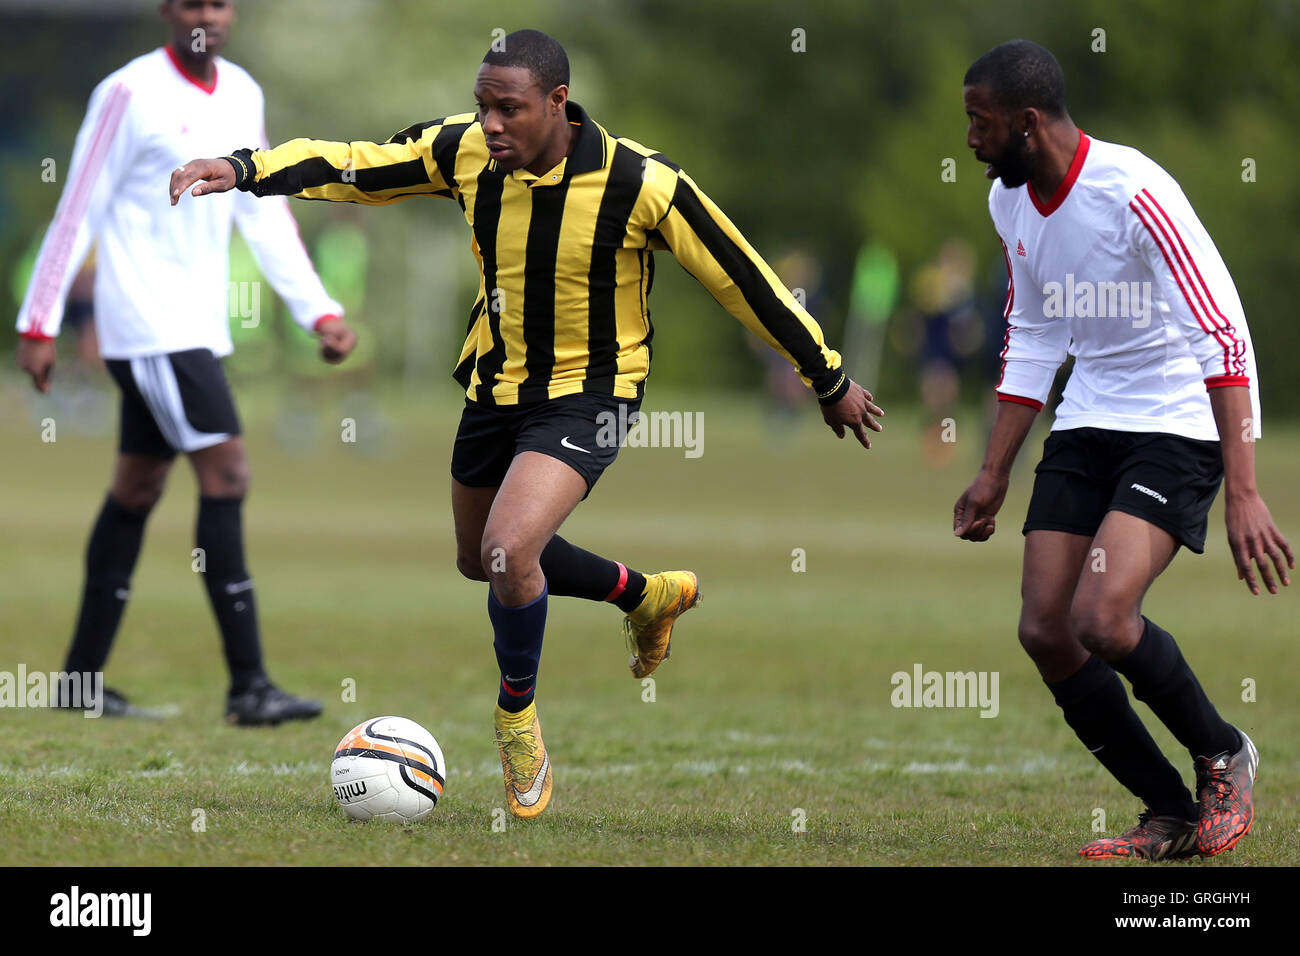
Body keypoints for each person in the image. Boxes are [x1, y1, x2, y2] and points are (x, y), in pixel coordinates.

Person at [170, 28, 883, 817]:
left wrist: (827, 375)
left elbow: (741, 276)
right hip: (495, 387)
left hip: (597, 394)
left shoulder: (641, 184)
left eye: (508, 109)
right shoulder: (465, 153)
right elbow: (358, 165)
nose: (491, 124)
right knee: (485, 561)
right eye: (482, 107)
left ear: (557, 104)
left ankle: (516, 719)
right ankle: (645, 595)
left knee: (509, 550)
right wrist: (242, 169)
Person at [953, 40, 1292, 859]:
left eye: (981, 123)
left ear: (1028, 123)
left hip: (1176, 416)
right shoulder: (1010, 203)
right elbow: (1032, 334)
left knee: (1102, 616)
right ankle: (1168, 810)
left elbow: (1224, 333)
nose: (969, 140)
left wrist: (1243, 488)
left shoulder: (1133, 191)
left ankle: (1223, 753)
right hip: (1090, 414)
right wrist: (995, 470)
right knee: (1046, 628)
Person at [15, 0, 358, 725]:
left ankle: (80, 682)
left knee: (137, 487)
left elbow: (263, 209)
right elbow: (79, 204)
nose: (208, 15)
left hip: (196, 327)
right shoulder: (126, 92)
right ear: (167, 10)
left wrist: (317, 308)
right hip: (148, 325)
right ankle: (249, 687)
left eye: (220, 2)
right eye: (192, 2)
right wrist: (39, 320)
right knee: (227, 471)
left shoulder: (243, 92)